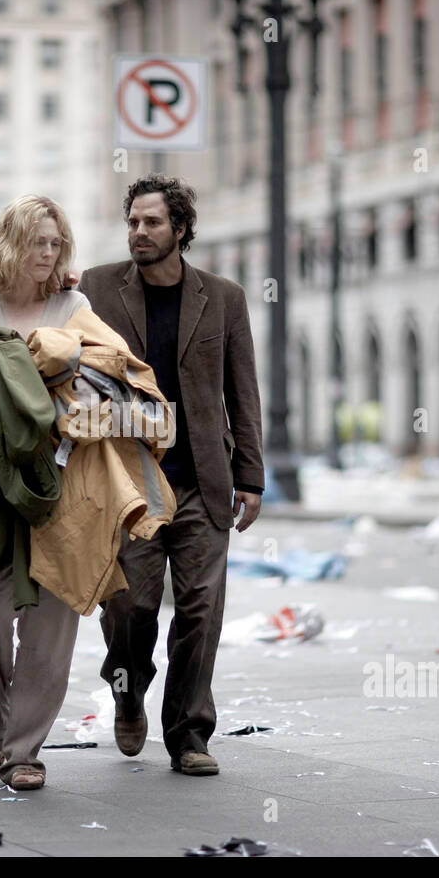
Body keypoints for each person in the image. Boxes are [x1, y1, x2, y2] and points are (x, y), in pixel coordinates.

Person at [76, 175, 264, 776]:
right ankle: (128, 688)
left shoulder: (225, 298)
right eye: (133, 222)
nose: (139, 232)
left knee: (201, 609)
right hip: (128, 482)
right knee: (131, 606)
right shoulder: (97, 289)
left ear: (181, 230)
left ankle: (189, 733)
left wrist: (251, 477)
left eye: (152, 223)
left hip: (201, 479)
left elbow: (244, 391)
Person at [0, 194, 89, 790]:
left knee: (50, 637)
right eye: (39, 242)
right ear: (11, 243)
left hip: (65, 490)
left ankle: (25, 753)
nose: (49, 253)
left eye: (57, 243)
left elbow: (94, 385)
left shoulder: (74, 303)